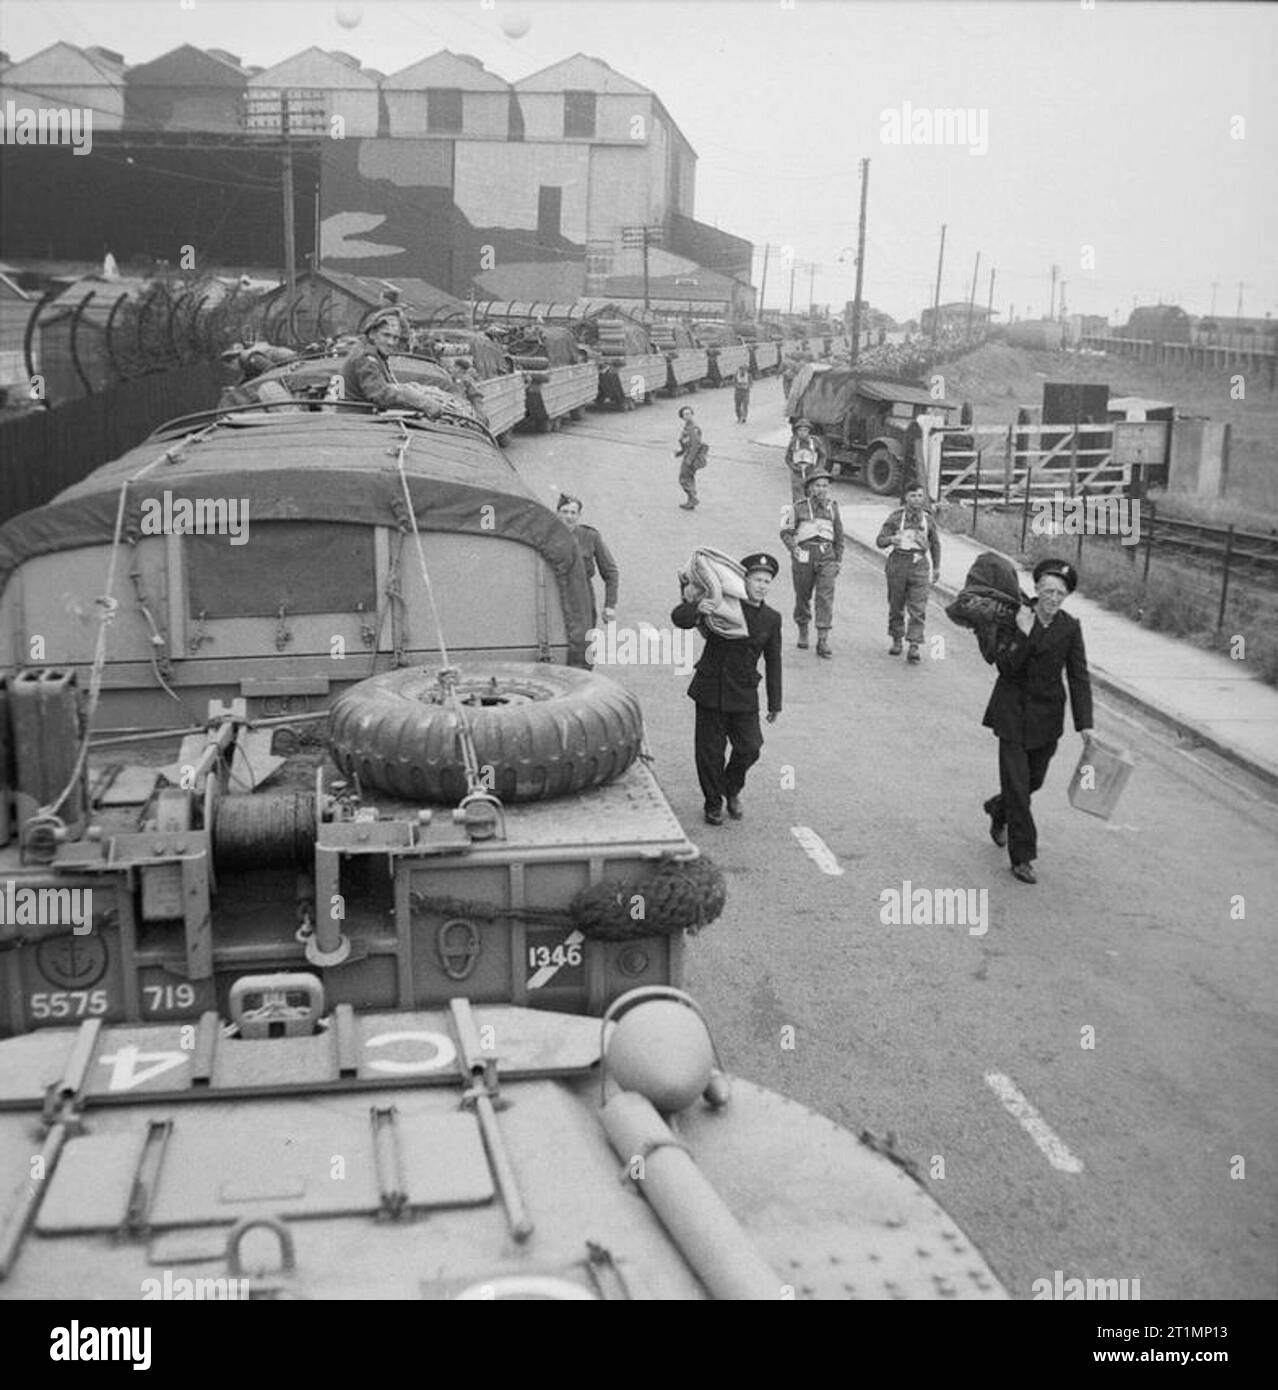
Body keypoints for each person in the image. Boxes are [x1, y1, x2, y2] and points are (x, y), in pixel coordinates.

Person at [981, 558, 1094, 885]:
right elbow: (1005, 666)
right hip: (1012, 714)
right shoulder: (1017, 617)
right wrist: (1024, 634)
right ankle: (1023, 857)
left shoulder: (1070, 628)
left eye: (1060, 593)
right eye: (1048, 591)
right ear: (1037, 590)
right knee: (1018, 789)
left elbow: (1078, 676)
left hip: (1046, 720)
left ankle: (997, 809)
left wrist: (1085, 723)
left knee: (1033, 782)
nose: (1053, 598)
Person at [672, 552, 782, 826]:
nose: (761, 585)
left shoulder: (771, 618)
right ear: (744, 581)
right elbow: (679, 617)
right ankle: (713, 803)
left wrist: (774, 703)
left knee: (750, 747)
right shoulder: (722, 603)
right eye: (757, 579)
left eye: (767, 581)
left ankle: (731, 788)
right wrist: (699, 608)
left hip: (743, 693)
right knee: (709, 752)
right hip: (710, 688)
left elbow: (773, 660)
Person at [875, 481, 942, 663]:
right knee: (896, 605)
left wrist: (936, 567)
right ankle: (897, 639)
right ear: (906, 497)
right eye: (913, 496)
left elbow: (935, 544)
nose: (917, 500)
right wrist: (891, 539)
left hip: (919, 564)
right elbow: (879, 541)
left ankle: (914, 644)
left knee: (918, 607)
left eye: (920, 496)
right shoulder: (896, 517)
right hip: (898, 563)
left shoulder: (927, 520)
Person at [780, 471, 844, 657]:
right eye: (817, 485)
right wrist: (794, 548)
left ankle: (823, 639)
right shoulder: (796, 507)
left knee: (825, 597)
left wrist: (838, 559)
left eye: (825, 486)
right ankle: (803, 628)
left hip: (827, 556)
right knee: (802, 594)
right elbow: (785, 532)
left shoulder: (833, 508)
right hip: (804, 555)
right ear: (809, 488)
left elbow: (839, 536)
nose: (821, 490)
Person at [342, 309, 441, 415]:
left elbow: (386, 386)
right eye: (386, 335)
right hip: (357, 420)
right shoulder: (366, 358)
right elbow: (381, 394)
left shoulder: (375, 354)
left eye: (395, 338)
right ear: (372, 334)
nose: (391, 342)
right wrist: (422, 402)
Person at [557, 493, 618, 628]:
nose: (568, 516)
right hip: (556, 595)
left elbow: (611, 572)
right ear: (557, 513)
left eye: (573, 513)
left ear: (579, 515)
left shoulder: (590, 536)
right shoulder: (546, 536)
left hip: (583, 596)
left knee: (585, 638)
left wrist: (610, 606)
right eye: (564, 512)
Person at [784, 420, 829, 503]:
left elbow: (823, 455)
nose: (802, 433)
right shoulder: (793, 442)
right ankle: (798, 512)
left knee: (813, 495)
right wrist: (794, 468)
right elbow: (788, 458)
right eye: (800, 430)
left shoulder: (815, 442)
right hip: (798, 474)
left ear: (809, 431)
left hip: (811, 472)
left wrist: (818, 468)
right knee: (798, 498)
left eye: (805, 430)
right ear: (796, 431)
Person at [674, 405, 708, 510]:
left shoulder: (692, 428)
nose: (687, 416)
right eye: (685, 414)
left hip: (691, 457)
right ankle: (691, 500)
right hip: (689, 455)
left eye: (689, 413)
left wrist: (689, 459)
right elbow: (686, 443)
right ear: (682, 417)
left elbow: (695, 445)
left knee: (684, 478)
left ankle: (692, 498)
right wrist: (680, 452)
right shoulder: (688, 427)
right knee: (689, 477)